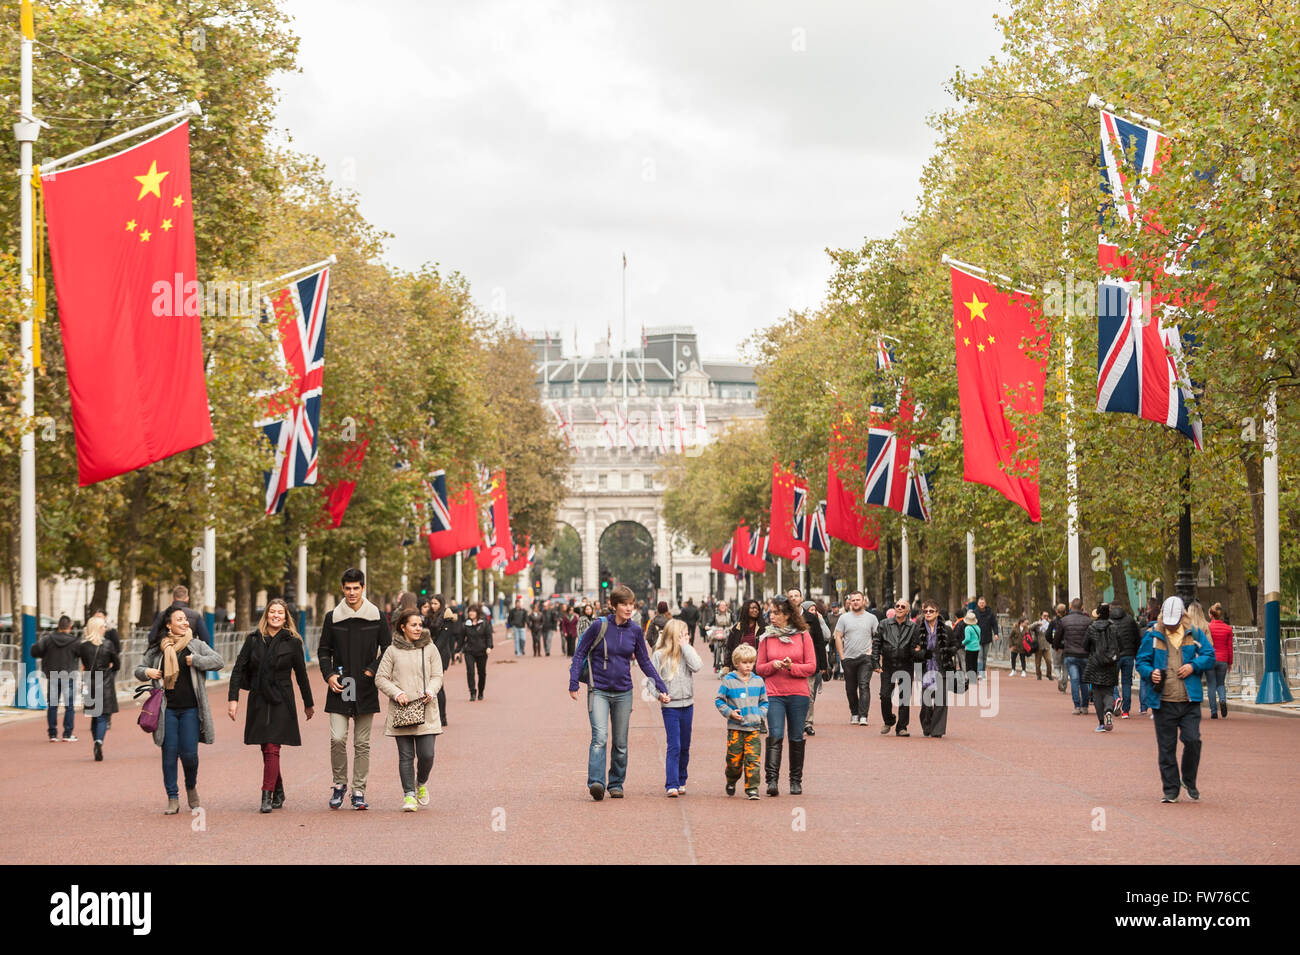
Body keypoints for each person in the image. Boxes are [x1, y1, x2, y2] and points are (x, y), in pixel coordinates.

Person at [568, 585, 669, 800]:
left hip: (623, 692)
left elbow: (644, 661)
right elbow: (580, 654)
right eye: (624, 604)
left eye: (631, 604)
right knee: (600, 737)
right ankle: (596, 782)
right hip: (599, 690)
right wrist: (574, 681)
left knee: (621, 743)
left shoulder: (634, 631)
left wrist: (661, 686)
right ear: (613, 606)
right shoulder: (599, 626)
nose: (628, 608)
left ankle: (615, 783)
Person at [227, 598, 315, 812]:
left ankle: (266, 796)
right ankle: (279, 790)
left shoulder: (293, 642)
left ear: (286, 618)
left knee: (272, 747)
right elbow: (238, 668)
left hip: (282, 698)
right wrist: (233, 699)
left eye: (280, 612)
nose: (276, 615)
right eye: (272, 612)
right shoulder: (253, 639)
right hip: (258, 697)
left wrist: (308, 703)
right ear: (266, 615)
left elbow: (301, 674)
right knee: (265, 746)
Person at [135, 607, 225, 814]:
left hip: (191, 709)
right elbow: (138, 669)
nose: (185, 623)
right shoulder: (158, 649)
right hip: (167, 711)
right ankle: (172, 797)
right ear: (169, 624)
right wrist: (147, 671)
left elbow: (218, 661)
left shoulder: (196, 645)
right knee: (169, 754)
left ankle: (191, 786)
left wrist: (197, 661)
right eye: (180, 619)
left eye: (186, 619)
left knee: (190, 755)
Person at [317, 567, 387, 811]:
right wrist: (329, 675)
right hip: (342, 684)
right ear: (342, 589)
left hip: (366, 684)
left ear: (363, 588)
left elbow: (388, 650)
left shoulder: (377, 616)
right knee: (337, 738)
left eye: (356, 588)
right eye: (347, 588)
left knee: (362, 742)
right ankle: (339, 784)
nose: (352, 592)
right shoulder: (332, 617)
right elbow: (323, 650)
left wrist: (372, 670)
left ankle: (359, 790)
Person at [1136, 595, 1216, 802]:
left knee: (1193, 741)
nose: (1171, 627)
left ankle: (1188, 779)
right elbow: (1141, 661)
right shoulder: (1153, 634)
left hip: (1189, 700)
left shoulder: (1195, 633)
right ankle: (1170, 789)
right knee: (1166, 748)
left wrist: (1193, 666)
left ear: (1183, 616)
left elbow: (1210, 656)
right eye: (1168, 623)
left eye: (1175, 622)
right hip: (1163, 700)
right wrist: (1149, 672)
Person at [375, 609, 444, 811]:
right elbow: (380, 678)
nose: (418, 628)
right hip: (402, 710)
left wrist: (431, 691)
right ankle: (409, 795)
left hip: (426, 709)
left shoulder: (430, 648)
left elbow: (438, 675)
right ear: (402, 627)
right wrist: (397, 693)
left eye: (420, 625)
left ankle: (421, 783)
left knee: (427, 754)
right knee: (405, 756)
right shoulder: (392, 651)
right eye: (413, 625)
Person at [756, 596, 816, 796]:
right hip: (774, 693)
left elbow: (811, 666)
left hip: (798, 694)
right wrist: (772, 666)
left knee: (796, 736)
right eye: (770, 613)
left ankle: (795, 780)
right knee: (775, 734)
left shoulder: (802, 636)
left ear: (788, 615)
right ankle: (771, 780)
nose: (771, 617)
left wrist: (792, 667)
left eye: (776, 613)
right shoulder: (766, 637)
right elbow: (759, 668)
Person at [651, 619, 702, 797]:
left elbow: (697, 666)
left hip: (688, 704)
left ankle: (681, 779)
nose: (687, 637)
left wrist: (687, 647)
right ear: (673, 636)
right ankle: (671, 783)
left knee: (685, 745)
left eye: (687, 634)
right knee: (674, 744)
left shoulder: (687, 653)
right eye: (684, 635)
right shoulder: (659, 655)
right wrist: (659, 695)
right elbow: (651, 681)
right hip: (670, 706)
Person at [715, 643, 769, 799]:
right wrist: (730, 713)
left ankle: (752, 788)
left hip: (753, 728)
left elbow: (764, 701)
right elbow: (719, 700)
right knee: (734, 761)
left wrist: (760, 714)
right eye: (745, 663)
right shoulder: (728, 681)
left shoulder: (758, 681)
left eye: (751, 662)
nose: (748, 666)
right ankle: (731, 780)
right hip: (735, 729)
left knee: (753, 760)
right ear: (736, 663)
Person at [874, 597, 923, 736]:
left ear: (907, 611)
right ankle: (889, 720)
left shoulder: (914, 627)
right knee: (884, 695)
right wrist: (875, 662)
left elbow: (917, 646)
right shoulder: (884, 624)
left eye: (903, 606)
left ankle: (902, 727)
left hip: (906, 665)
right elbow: (876, 643)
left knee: (904, 697)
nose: (900, 608)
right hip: (888, 666)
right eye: (897, 606)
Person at [32, 615, 81, 742]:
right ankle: (67, 733)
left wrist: (45, 654)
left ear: (58, 626)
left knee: (53, 705)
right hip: (68, 675)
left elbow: (35, 651)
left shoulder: (48, 639)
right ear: (69, 627)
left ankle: (52, 734)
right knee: (69, 706)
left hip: (53, 674)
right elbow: (82, 654)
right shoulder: (75, 641)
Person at [789, 589, 830, 737]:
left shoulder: (811, 618)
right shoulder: (784, 618)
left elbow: (819, 641)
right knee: (792, 694)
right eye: (791, 596)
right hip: (789, 663)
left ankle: (808, 723)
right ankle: (795, 722)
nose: (794, 598)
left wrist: (823, 666)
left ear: (801, 598)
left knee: (809, 693)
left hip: (808, 662)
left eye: (796, 595)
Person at [77, 615, 119, 761]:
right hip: (105, 681)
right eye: (103, 627)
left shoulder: (83, 646)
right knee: (103, 717)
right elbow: (117, 663)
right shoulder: (108, 644)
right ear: (98, 628)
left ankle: (96, 741)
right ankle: (99, 742)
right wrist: (110, 668)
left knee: (94, 715)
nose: (105, 629)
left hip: (89, 682)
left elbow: (84, 663)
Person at [916, 598, 959, 737]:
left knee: (941, 702)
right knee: (926, 703)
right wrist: (921, 653)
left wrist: (949, 651)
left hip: (942, 668)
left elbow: (955, 644)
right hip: (926, 669)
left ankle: (937, 730)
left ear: (937, 612)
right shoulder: (918, 629)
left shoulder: (946, 629)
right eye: (925, 611)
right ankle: (927, 726)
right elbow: (913, 649)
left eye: (931, 611)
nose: (928, 613)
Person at [834, 590, 879, 726]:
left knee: (864, 685)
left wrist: (871, 652)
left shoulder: (871, 618)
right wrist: (842, 656)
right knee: (850, 688)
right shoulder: (844, 618)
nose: (855, 602)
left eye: (858, 600)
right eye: (853, 600)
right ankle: (854, 713)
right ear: (849, 602)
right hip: (848, 658)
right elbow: (837, 636)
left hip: (865, 658)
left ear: (863, 601)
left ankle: (863, 715)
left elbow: (877, 637)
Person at [1083, 603, 1119, 733]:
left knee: (1097, 693)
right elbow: (1118, 644)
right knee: (1109, 691)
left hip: (1095, 664)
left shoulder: (1091, 628)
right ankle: (1109, 710)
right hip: (1110, 664)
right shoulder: (1113, 627)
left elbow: (1085, 645)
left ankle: (1101, 723)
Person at [424, 595, 457, 728]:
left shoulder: (446, 618)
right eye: (431, 603)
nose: (433, 606)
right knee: (429, 685)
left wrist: (432, 652)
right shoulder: (428, 617)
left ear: (441, 604)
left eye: (436, 603)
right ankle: (432, 715)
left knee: (438, 685)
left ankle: (443, 717)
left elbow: (444, 639)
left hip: (441, 654)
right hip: (427, 653)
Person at [147, 584, 213, 647]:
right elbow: (205, 638)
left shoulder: (162, 614)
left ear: (173, 599)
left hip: (167, 653)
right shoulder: (195, 615)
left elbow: (152, 637)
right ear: (187, 599)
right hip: (189, 653)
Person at [1058, 598, 1093, 714]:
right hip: (1084, 654)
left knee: (1074, 679)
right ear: (1082, 608)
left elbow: (1057, 637)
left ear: (1071, 607)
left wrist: (1059, 646)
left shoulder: (1064, 620)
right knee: (1084, 680)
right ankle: (1085, 705)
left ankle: (1076, 706)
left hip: (1070, 654)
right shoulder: (1088, 621)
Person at [1110, 602, 1141, 718]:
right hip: (1129, 654)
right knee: (1127, 682)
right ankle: (1126, 711)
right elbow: (1137, 637)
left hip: (1115, 656)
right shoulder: (1130, 620)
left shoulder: (1109, 621)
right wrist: (1135, 652)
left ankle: (1116, 697)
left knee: (1112, 680)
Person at [458, 603, 493, 700]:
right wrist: (457, 651)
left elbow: (488, 636)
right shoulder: (466, 624)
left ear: (477, 613)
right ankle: (472, 692)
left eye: (473, 611)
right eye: (470, 611)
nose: (471, 613)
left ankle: (481, 691)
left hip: (482, 651)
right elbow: (461, 639)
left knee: (482, 673)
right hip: (469, 651)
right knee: (470, 671)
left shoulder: (484, 623)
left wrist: (489, 647)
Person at [1206, 603, 1233, 719]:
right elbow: (1230, 647)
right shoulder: (1228, 629)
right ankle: (1222, 700)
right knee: (1220, 683)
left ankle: (1213, 711)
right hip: (1223, 659)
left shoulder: (1208, 628)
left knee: (1211, 685)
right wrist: (1230, 662)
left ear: (1211, 615)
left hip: (1211, 658)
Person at [723, 598, 763, 666]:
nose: (755, 610)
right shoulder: (736, 628)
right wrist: (727, 666)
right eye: (752, 608)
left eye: (757, 608)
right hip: (739, 666)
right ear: (746, 609)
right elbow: (729, 649)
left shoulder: (763, 628)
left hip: (756, 666)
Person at [973, 595, 997, 679]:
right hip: (977, 638)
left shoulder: (990, 612)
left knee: (984, 657)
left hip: (987, 637)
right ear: (978, 603)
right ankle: (980, 672)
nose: (982, 604)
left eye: (983, 603)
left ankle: (982, 673)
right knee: (979, 656)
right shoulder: (974, 613)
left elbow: (994, 624)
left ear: (985, 603)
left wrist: (996, 634)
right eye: (980, 603)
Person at [959, 609, 981, 683]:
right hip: (977, 647)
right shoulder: (978, 627)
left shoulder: (967, 628)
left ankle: (969, 678)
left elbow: (967, 639)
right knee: (974, 663)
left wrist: (962, 642)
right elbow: (979, 637)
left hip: (969, 648)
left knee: (968, 663)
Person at [710, 600, 732, 671]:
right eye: (721, 605)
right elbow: (710, 622)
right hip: (718, 632)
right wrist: (707, 626)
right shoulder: (715, 614)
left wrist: (734, 626)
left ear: (726, 606)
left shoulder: (730, 613)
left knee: (729, 647)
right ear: (718, 607)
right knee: (716, 647)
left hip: (727, 631)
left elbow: (735, 621)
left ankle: (728, 664)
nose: (722, 607)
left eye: (724, 605)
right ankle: (716, 664)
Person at [1033, 610, 1055, 681]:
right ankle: (1039, 675)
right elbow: (1029, 627)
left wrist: (1051, 623)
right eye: (1044, 616)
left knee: (1049, 661)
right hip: (1038, 646)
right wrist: (1037, 623)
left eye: (1047, 616)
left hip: (1046, 646)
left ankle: (1049, 674)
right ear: (1041, 616)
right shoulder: (1037, 624)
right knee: (1038, 663)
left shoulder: (1049, 624)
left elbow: (1055, 630)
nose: (1046, 617)